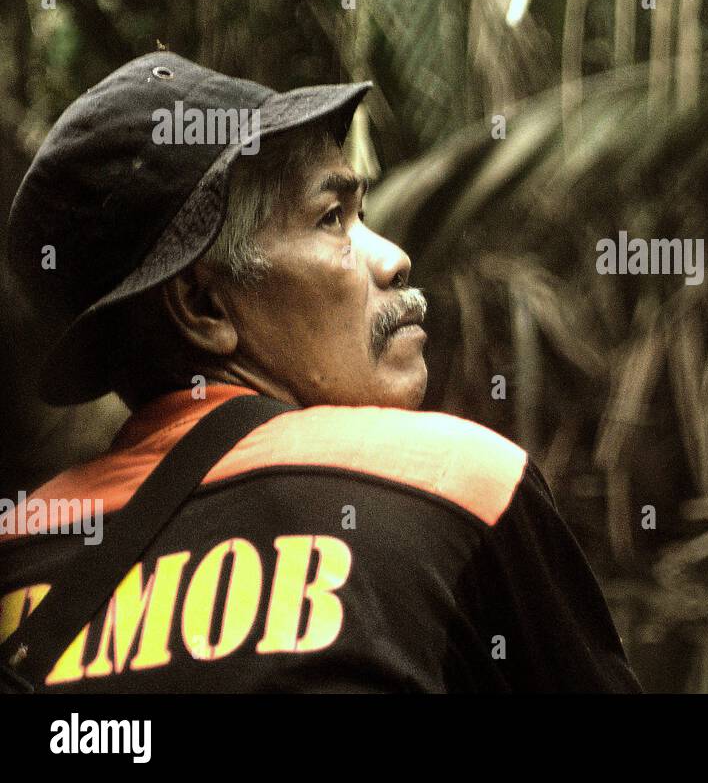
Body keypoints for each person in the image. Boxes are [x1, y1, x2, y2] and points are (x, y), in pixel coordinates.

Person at [0, 51, 642, 692]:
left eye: (360, 215)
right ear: (202, 305)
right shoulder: (458, 488)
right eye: (331, 219)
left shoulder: (17, 553)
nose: (394, 258)